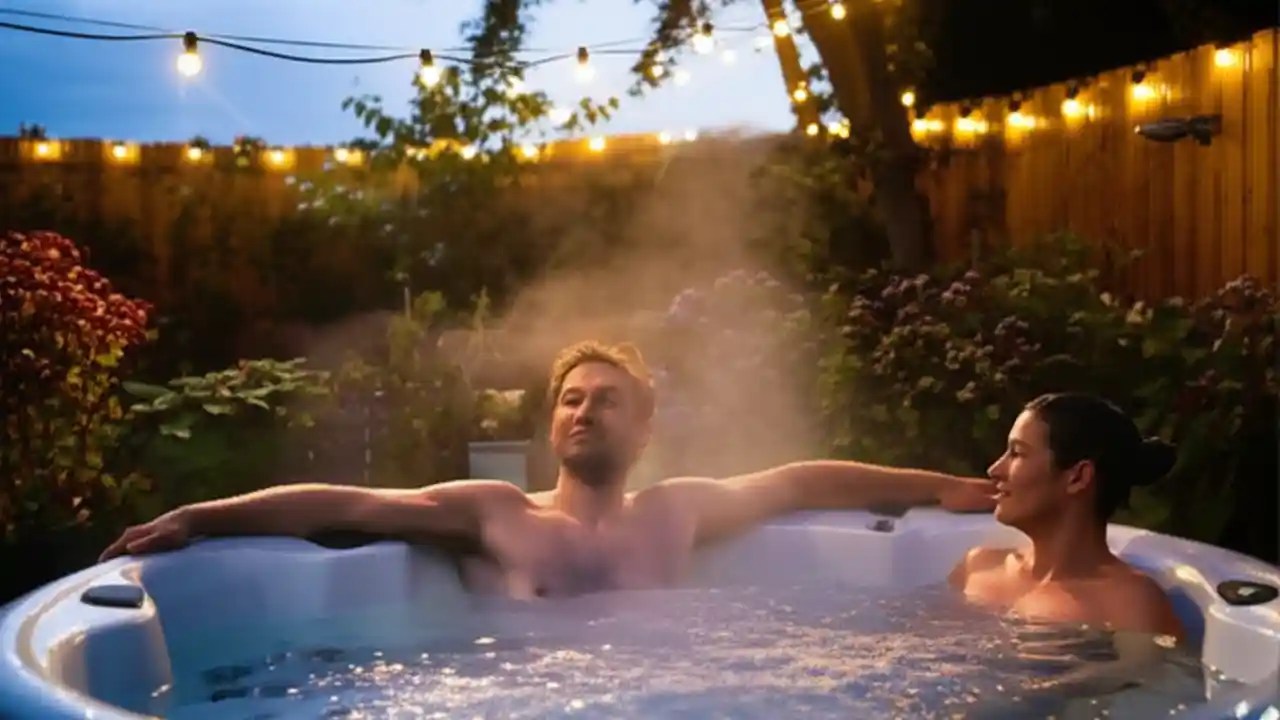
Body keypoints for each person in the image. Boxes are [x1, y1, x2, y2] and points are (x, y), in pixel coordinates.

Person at [101, 340, 996, 597]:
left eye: (606, 399)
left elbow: (800, 482)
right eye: (570, 399)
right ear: (551, 422)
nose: (583, 411)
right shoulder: (498, 513)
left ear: (643, 429)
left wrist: (939, 488)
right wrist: (202, 517)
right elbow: (350, 503)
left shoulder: (675, 511)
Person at [948, 392, 1186, 649]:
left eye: (1017, 453)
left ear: (1078, 477)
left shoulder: (1130, 604)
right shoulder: (976, 568)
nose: (994, 469)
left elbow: (1149, 676)